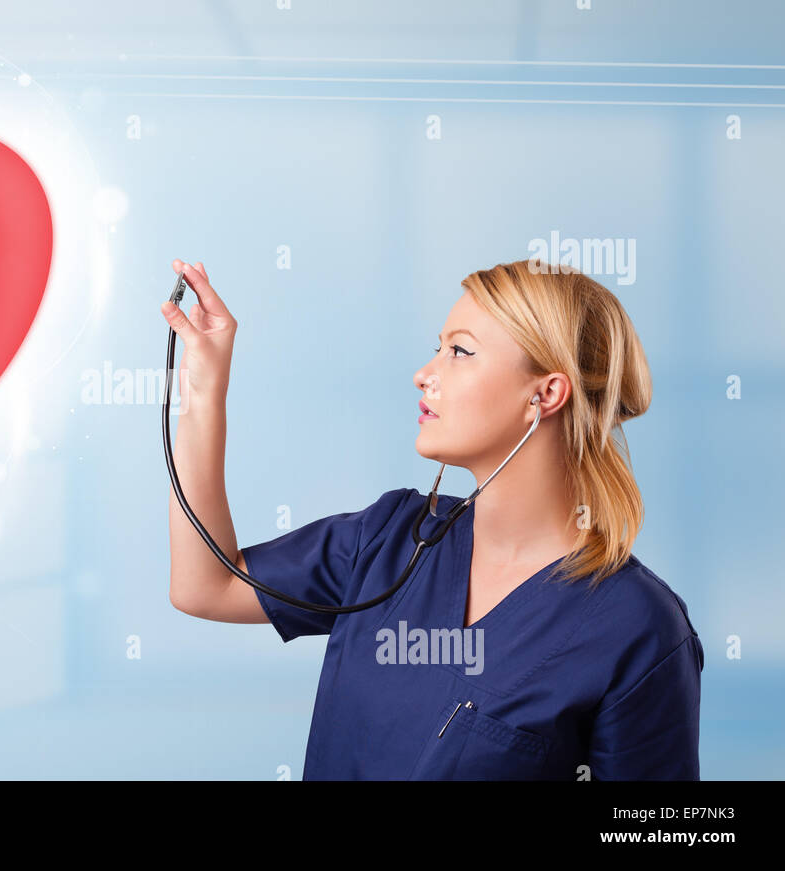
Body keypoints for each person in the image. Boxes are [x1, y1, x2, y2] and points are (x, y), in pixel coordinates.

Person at [161, 257, 703, 780]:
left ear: (545, 394)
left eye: (460, 352)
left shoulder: (638, 628)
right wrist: (204, 389)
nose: (425, 374)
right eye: (437, 349)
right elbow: (205, 585)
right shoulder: (387, 539)